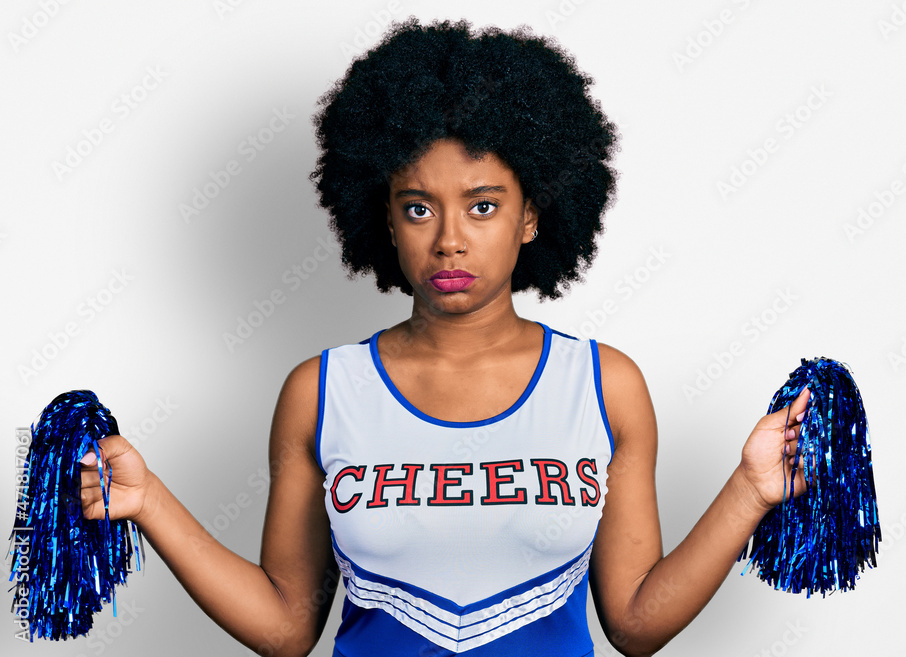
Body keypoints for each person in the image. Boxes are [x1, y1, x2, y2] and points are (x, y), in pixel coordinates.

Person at [78, 17, 811, 657]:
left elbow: (636, 623)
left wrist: (750, 489)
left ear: (532, 216)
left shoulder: (603, 385)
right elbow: (287, 626)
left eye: (484, 205)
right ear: (384, 219)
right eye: (419, 207)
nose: (451, 240)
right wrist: (149, 504)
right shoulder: (321, 391)